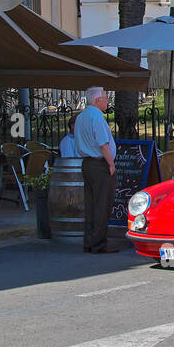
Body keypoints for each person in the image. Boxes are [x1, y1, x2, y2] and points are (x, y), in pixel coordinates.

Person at [74, 87, 116, 253]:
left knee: (91, 204)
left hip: (87, 163)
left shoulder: (81, 117)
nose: (107, 101)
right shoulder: (97, 117)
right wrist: (111, 163)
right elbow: (103, 144)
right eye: (105, 98)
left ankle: (89, 241)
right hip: (99, 164)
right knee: (102, 204)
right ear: (97, 100)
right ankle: (99, 243)